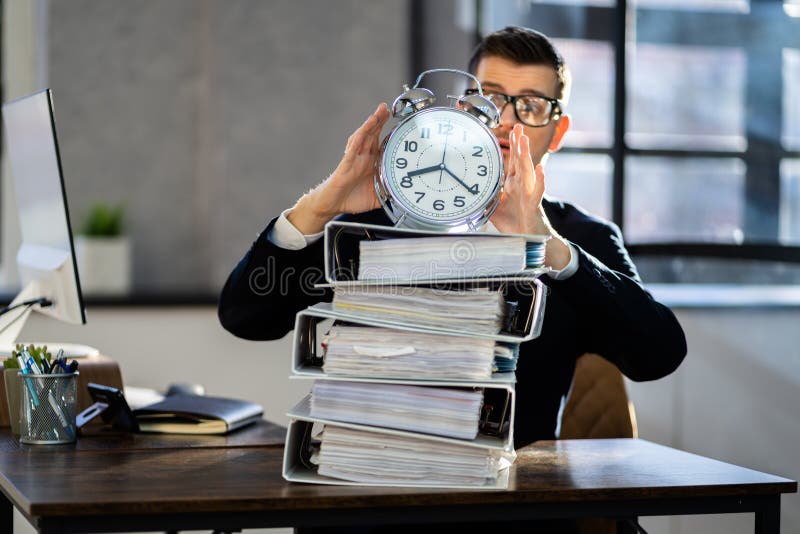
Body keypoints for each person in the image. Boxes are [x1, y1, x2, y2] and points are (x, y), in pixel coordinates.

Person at [218, 26, 687, 449]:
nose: (506, 121)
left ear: (557, 131)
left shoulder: (579, 240)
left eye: (531, 105)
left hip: (509, 505)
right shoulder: (372, 219)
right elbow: (246, 316)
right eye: (493, 97)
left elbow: (657, 355)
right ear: (465, 106)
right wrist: (321, 205)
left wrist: (548, 246)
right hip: (364, 489)